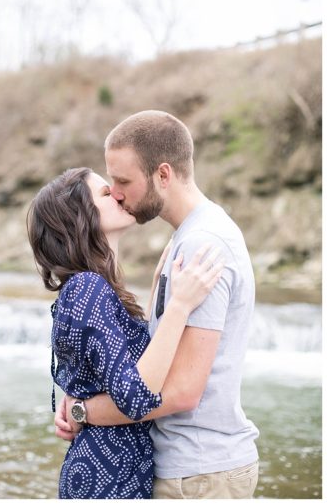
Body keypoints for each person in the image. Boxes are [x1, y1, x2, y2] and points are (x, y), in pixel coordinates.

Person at [55, 110, 260, 499]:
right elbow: (153, 359)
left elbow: (183, 391)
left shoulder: (203, 246)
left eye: (123, 181)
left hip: (199, 473)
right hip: (190, 468)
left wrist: (84, 411)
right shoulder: (187, 240)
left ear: (162, 175)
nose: (116, 192)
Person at [27, 167, 223, 498]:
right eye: (105, 193)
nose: (118, 193)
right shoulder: (86, 288)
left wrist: (79, 407)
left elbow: (118, 370)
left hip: (114, 472)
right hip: (107, 480)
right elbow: (136, 399)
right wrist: (180, 305)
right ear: (80, 217)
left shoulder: (95, 288)